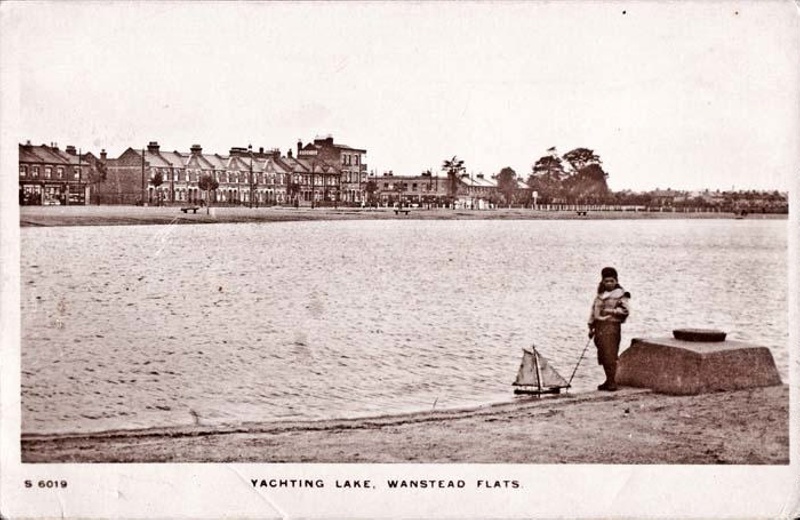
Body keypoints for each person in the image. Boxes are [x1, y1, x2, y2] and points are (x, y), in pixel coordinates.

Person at [588, 267, 630, 391]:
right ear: (602, 282)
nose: (609, 283)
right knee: (602, 355)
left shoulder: (621, 295)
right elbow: (593, 311)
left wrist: (610, 311)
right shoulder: (600, 295)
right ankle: (608, 380)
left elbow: (625, 310)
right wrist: (591, 327)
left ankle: (612, 382)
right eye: (606, 281)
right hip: (599, 327)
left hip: (612, 327)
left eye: (612, 281)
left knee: (610, 354)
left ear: (616, 281)